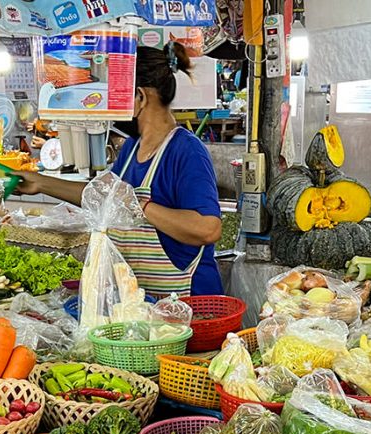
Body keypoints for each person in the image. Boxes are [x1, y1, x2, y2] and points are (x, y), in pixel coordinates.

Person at [15, 43, 223, 296]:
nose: (109, 105)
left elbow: (208, 229)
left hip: (192, 306)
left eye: (114, 94)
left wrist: (140, 205)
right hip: (144, 308)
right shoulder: (131, 150)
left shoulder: (186, 151)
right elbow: (101, 194)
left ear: (139, 97)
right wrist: (40, 183)